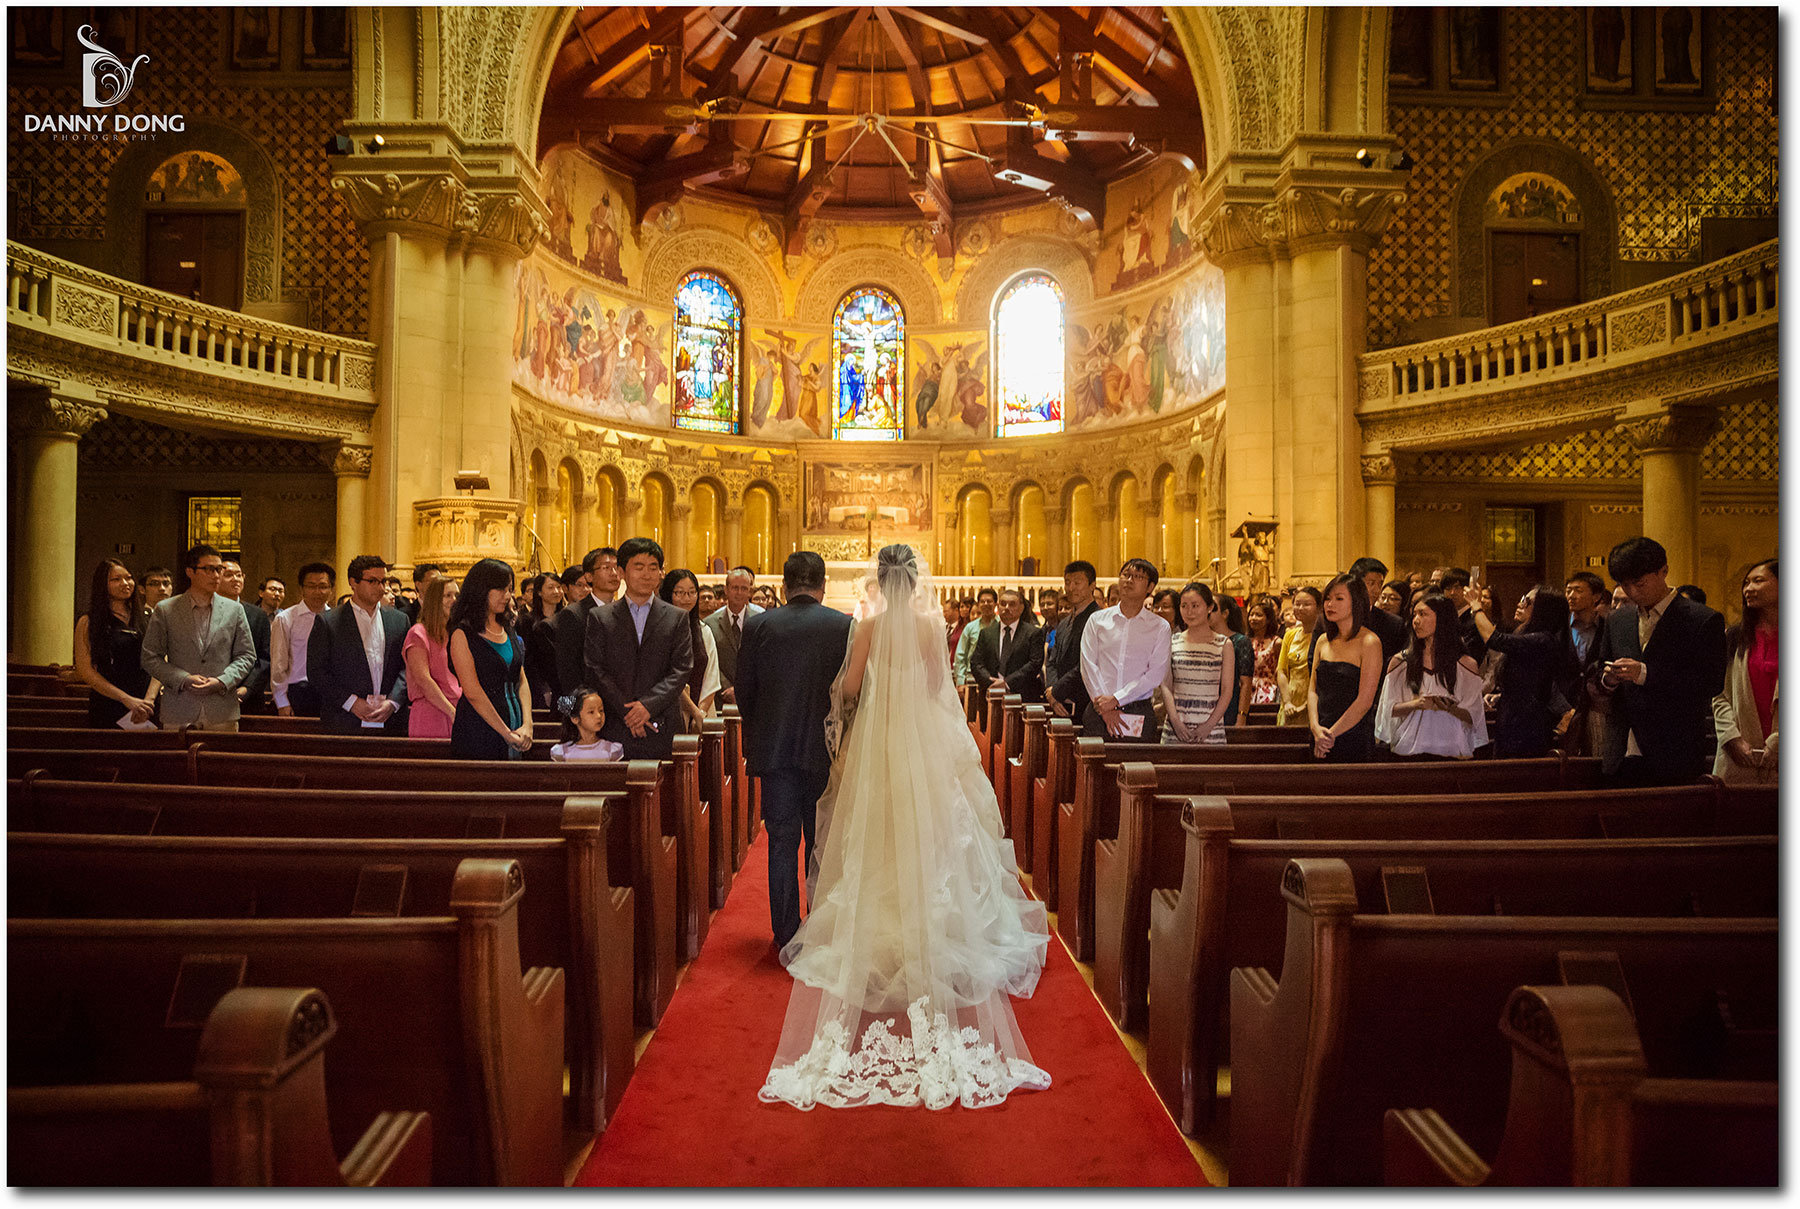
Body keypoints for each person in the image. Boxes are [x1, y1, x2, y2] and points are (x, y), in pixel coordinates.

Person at [758, 544, 1049, 1111]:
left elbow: (848, 688)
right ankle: (934, 927)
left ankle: (877, 932)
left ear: (878, 581)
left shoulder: (866, 626)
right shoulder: (929, 625)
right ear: (914, 581)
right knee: (935, 833)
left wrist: (860, 700)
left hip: (880, 742)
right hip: (923, 740)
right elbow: (942, 688)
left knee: (876, 831)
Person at [735, 550, 855, 950]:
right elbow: (851, 694)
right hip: (827, 751)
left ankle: (785, 931)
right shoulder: (843, 626)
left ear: (785, 587)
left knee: (782, 841)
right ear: (823, 587)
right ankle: (819, 930)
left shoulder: (758, 625)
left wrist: (757, 737)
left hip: (774, 751)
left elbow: (745, 692)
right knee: (821, 840)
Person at [1591, 536, 1728, 785]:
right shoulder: (1618, 620)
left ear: (1663, 570)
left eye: (1639, 584)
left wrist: (1645, 674)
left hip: (1674, 751)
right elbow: (1600, 667)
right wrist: (1608, 679)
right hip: (1621, 749)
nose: (1632, 592)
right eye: (1624, 585)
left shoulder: (1702, 620)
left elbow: (1710, 683)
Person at [584, 537, 693, 759]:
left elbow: (681, 668)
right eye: (639, 567)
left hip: (663, 724)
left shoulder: (677, 617)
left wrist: (648, 706)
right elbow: (594, 668)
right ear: (622, 572)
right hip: (617, 724)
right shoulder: (600, 617)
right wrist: (629, 712)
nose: (647, 574)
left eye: (653, 568)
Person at [140, 544, 257, 732]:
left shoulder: (234, 609)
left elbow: (247, 655)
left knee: (221, 761)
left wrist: (222, 681)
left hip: (221, 709)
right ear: (190, 572)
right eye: (209, 569)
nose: (216, 575)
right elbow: (150, 657)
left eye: (219, 569)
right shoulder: (166, 609)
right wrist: (183, 678)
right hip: (179, 707)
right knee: (177, 761)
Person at [1468, 586, 1579, 757]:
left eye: (1527, 601)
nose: (1520, 604)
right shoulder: (1529, 635)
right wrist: (1501, 696)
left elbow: (1495, 639)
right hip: (1513, 718)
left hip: (1527, 725)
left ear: (1543, 609)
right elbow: (1526, 681)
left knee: (1516, 773)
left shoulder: (1543, 639)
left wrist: (1476, 607)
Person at [1376, 594, 1488, 759]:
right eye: (1414, 614)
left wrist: (1449, 707)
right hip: (1409, 749)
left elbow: (1475, 716)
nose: (1416, 620)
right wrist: (1417, 704)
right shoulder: (1401, 662)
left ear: (1442, 618)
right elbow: (1386, 710)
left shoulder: (1465, 664)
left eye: (1423, 614)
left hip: (1451, 748)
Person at [308, 555, 410, 735]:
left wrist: (393, 702)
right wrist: (352, 702)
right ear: (353, 582)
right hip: (344, 720)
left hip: (391, 719)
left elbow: (407, 668)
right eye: (372, 581)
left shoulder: (399, 620)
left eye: (383, 581)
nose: (381, 587)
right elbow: (317, 672)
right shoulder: (328, 622)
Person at [449, 558, 532, 759]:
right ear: (481, 590)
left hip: (517, 724)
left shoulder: (508, 628)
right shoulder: (463, 633)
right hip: (479, 728)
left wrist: (527, 724)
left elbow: (520, 680)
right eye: (501, 590)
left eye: (510, 590)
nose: (508, 596)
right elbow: (473, 692)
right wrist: (505, 733)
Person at [1079, 558, 1170, 741]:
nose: (1129, 580)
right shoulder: (1097, 620)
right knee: (1093, 767)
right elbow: (1088, 665)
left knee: (1135, 767)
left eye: (1137, 576)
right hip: (1098, 711)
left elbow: (1155, 674)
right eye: (1126, 575)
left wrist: (1117, 700)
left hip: (1138, 710)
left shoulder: (1159, 627)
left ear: (1150, 587)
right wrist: (1104, 707)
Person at [1712, 558, 1777, 784]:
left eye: (1758, 581)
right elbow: (1720, 695)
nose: (1748, 589)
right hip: (1740, 754)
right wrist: (1731, 738)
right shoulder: (1736, 636)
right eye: (1746, 583)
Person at [73, 558, 157, 728]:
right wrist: (125, 699)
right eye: (116, 579)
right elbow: (85, 670)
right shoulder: (89, 621)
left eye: (128, 577)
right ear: (102, 585)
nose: (125, 583)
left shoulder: (149, 618)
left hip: (147, 703)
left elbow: (161, 662)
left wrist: (148, 700)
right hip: (110, 701)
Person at [1308, 573, 1382, 762]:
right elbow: (1313, 691)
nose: (1330, 604)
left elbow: (1365, 700)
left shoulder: (1369, 642)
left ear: (1356, 603)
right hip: (1320, 732)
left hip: (1352, 733)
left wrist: (1331, 735)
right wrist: (1316, 728)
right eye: (1327, 599)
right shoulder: (1323, 640)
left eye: (1339, 599)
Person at [1160, 582, 1232, 746]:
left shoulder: (1223, 644)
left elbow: (1227, 690)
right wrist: (1176, 722)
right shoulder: (1172, 641)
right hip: (1176, 728)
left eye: (1195, 605)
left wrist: (1208, 726)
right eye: (1184, 606)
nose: (1189, 612)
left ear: (1209, 607)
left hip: (1211, 728)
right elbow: (1166, 684)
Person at [552, 546, 616, 713]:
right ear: (589, 576)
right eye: (606, 568)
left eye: (617, 568)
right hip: (586, 710)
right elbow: (567, 672)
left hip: (618, 708)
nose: (614, 573)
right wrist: (576, 713)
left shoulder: (625, 612)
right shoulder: (573, 614)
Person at [402, 573, 462, 739]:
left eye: (457, 595)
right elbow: (424, 680)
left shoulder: (455, 633)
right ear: (434, 600)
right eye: (448, 595)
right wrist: (452, 712)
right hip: (432, 712)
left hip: (457, 709)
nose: (454, 600)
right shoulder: (418, 633)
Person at [659, 568, 720, 729]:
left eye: (692, 592)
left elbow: (712, 676)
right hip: (671, 710)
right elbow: (668, 676)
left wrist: (701, 712)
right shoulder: (659, 630)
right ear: (668, 594)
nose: (687, 599)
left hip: (703, 711)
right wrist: (693, 711)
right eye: (679, 593)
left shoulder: (704, 630)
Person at [272, 562, 334, 717]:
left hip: (331, 694)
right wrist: (282, 701)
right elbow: (278, 664)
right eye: (311, 586)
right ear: (302, 589)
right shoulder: (285, 619)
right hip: (299, 692)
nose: (317, 591)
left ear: (331, 590)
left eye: (323, 586)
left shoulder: (337, 620)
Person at [1046, 561, 1101, 723]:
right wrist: (1052, 694)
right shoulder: (1064, 622)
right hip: (1059, 703)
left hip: (1086, 704)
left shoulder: (1099, 620)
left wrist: (1056, 691)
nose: (1071, 588)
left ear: (1092, 585)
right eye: (1067, 582)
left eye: (1077, 582)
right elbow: (1052, 661)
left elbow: (1087, 664)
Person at [970, 588, 1045, 704]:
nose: (1006, 608)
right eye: (1003, 604)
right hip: (990, 696)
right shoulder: (986, 633)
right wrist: (990, 682)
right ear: (998, 607)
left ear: (1021, 608)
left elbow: (1035, 663)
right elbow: (976, 662)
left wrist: (1007, 682)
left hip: (1022, 697)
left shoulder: (1033, 633)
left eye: (1012, 604)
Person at [704, 565, 764, 708]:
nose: (739, 593)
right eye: (735, 588)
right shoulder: (710, 623)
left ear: (750, 591)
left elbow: (763, 659)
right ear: (726, 590)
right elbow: (710, 661)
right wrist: (727, 688)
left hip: (753, 697)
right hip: (720, 696)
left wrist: (742, 689)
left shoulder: (761, 621)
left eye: (744, 588)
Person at [217, 557, 271, 714]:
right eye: (229, 575)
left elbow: (264, 658)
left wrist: (247, 687)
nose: (235, 579)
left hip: (249, 696)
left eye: (239, 575)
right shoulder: (207, 611)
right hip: (214, 691)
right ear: (216, 577)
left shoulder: (257, 614)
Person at [1276, 585, 1322, 727]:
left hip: (1314, 705)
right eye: (1297, 604)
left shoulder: (1323, 637)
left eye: (1307, 604)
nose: (1300, 608)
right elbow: (1282, 671)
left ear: (1319, 608)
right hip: (1289, 702)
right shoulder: (1290, 635)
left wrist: (1305, 706)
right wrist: (1287, 702)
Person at [1350, 557, 1409, 667]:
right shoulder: (1332, 618)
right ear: (1354, 584)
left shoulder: (1394, 624)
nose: (1377, 590)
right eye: (1371, 583)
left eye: (1380, 584)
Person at [524, 570, 565, 710]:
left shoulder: (567, 618)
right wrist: (543, 688)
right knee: (545, 725)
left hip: (564, 687)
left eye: (559, 587)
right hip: (539, 686)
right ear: (539, 592)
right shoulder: (527, 621)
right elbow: (529, 660)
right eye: (550, 587)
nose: (556, 591)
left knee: (565, 720)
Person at [551, 687, 624, 762]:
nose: (599, 716)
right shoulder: (562, 752)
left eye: (601, 710)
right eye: (591, 712)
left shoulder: (611, 750)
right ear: (575, 718)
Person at [1216, 595, 1254, 726]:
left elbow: (1245, 683)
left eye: (1212, 607)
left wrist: (1241, 716)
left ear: (1225, 613)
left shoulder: (1240, 641)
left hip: (1230, 707)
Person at [953, 587, 999, 687]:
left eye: (989, 601)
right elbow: (960, 656)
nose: (986, 604)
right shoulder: (970, 627)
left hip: (997, 678)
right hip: (972, 678)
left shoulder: (1002, 626)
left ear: (995, 604)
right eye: (982, 601)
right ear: (978, 604)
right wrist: (960, 682)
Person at [1245, 594, 1284, 708]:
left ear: (1268, 619)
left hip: (1269, 690)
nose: (1253, 618)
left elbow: (1280, 670)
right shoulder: (1246, 641)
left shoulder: (1276, 642)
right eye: (1251, 615)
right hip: (1248, 690)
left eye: (1258, 615)